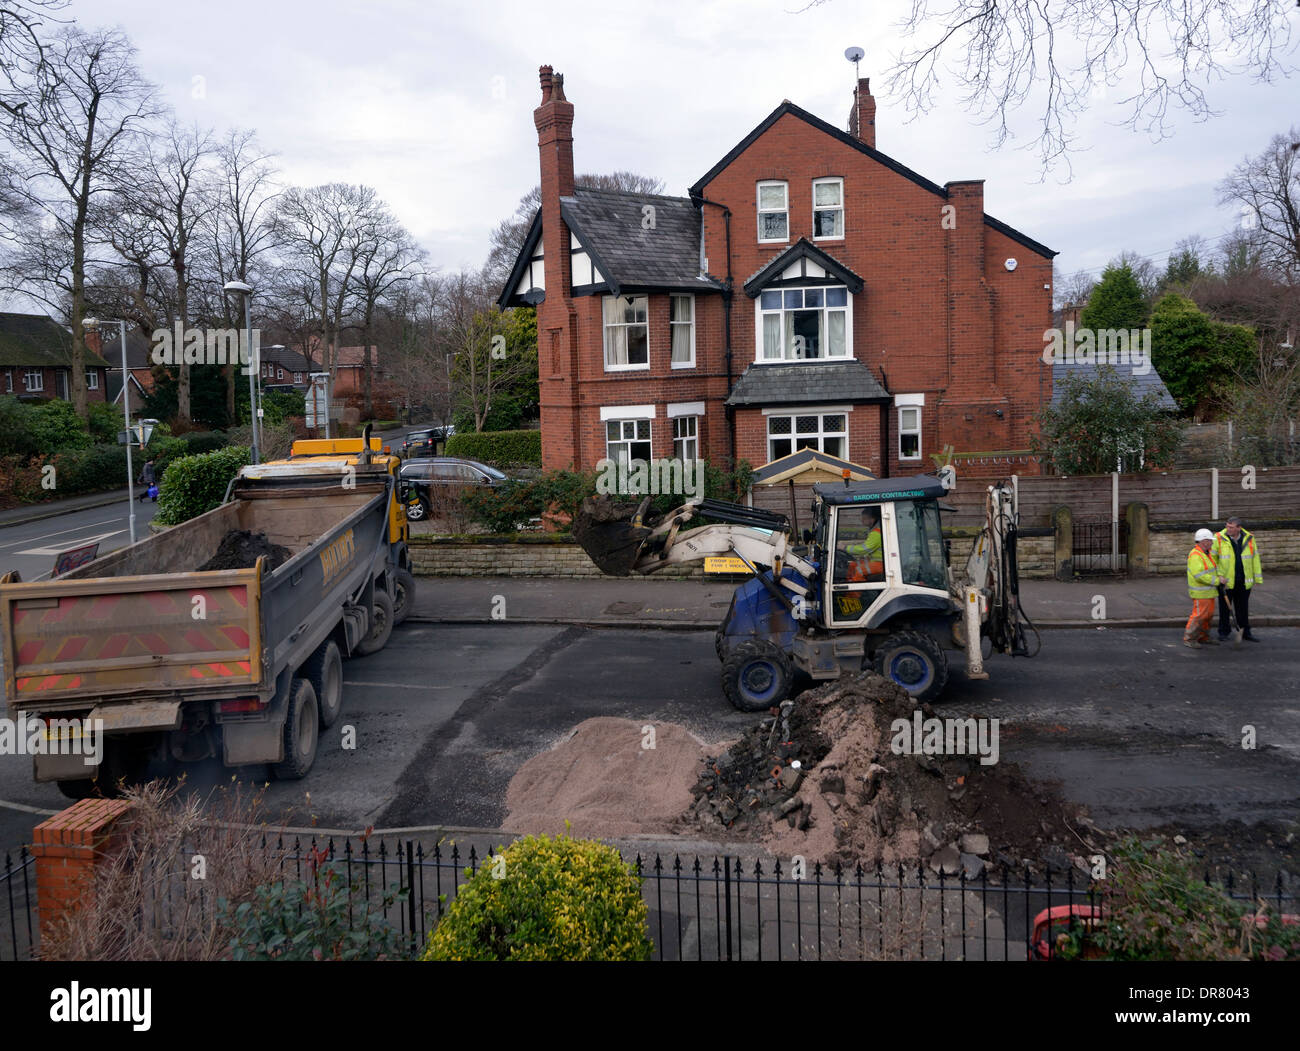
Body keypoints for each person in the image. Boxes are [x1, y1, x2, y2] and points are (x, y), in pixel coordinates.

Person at [1212, 517, 1261, 642]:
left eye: (1231, 527)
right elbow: (1212, 559)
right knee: (1224, 609)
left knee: (1242, 609)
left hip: (1243, 581)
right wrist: (1218, 576)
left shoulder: (1249, 538)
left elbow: (1255, 558)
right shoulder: (1218, 538)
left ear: (1239, 528)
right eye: (1227, 526)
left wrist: (1258, 578)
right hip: (1226, 581)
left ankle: (1245, 632)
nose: (1228, 529)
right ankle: (1223, 632)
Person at [1184, 528, 1220, 648]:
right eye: (1210, 540)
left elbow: (1210, 570)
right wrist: (1218, 581)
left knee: (1207, 616)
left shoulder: (1206, 553)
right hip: (1201, 593)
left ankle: (1203, 637)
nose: (1212, 542)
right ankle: (1190, 639)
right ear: (1204, 541)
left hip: (1209, 592)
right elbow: (1199, 575)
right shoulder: (1195, 555)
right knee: (1199, 616)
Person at [844, 507, 884, 582]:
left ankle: (855, 589)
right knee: (852, 564)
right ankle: (849, 582)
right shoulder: (873, 530)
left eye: (864, 518)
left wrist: (845, 548)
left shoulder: (876, 533)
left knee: (859, 570)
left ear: (872, 519)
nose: (861, 521)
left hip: (881, 563)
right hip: (874, 560)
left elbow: (864, 549)